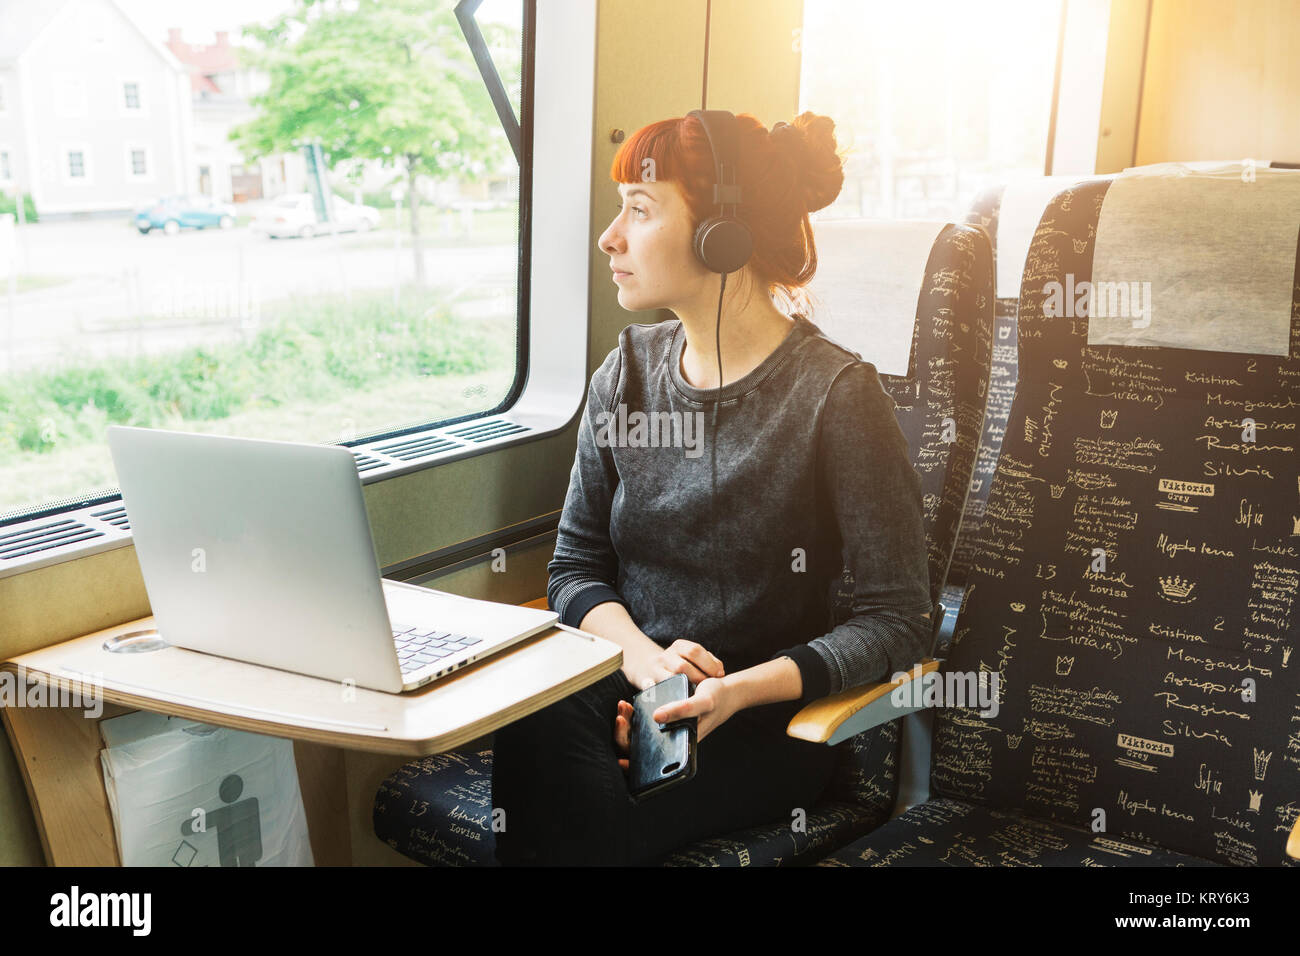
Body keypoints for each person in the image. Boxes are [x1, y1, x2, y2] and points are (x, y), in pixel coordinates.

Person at [491, 110, 933, 866]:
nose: (610, 237)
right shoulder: (625, 371)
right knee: (529, 721)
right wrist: (644, 664)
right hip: (636, 687)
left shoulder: (838, 396)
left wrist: (729, 694)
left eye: (640, 207)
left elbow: (898, 622)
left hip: (768, 723)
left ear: (719, 234)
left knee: (581, 824)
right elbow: (574, 568)